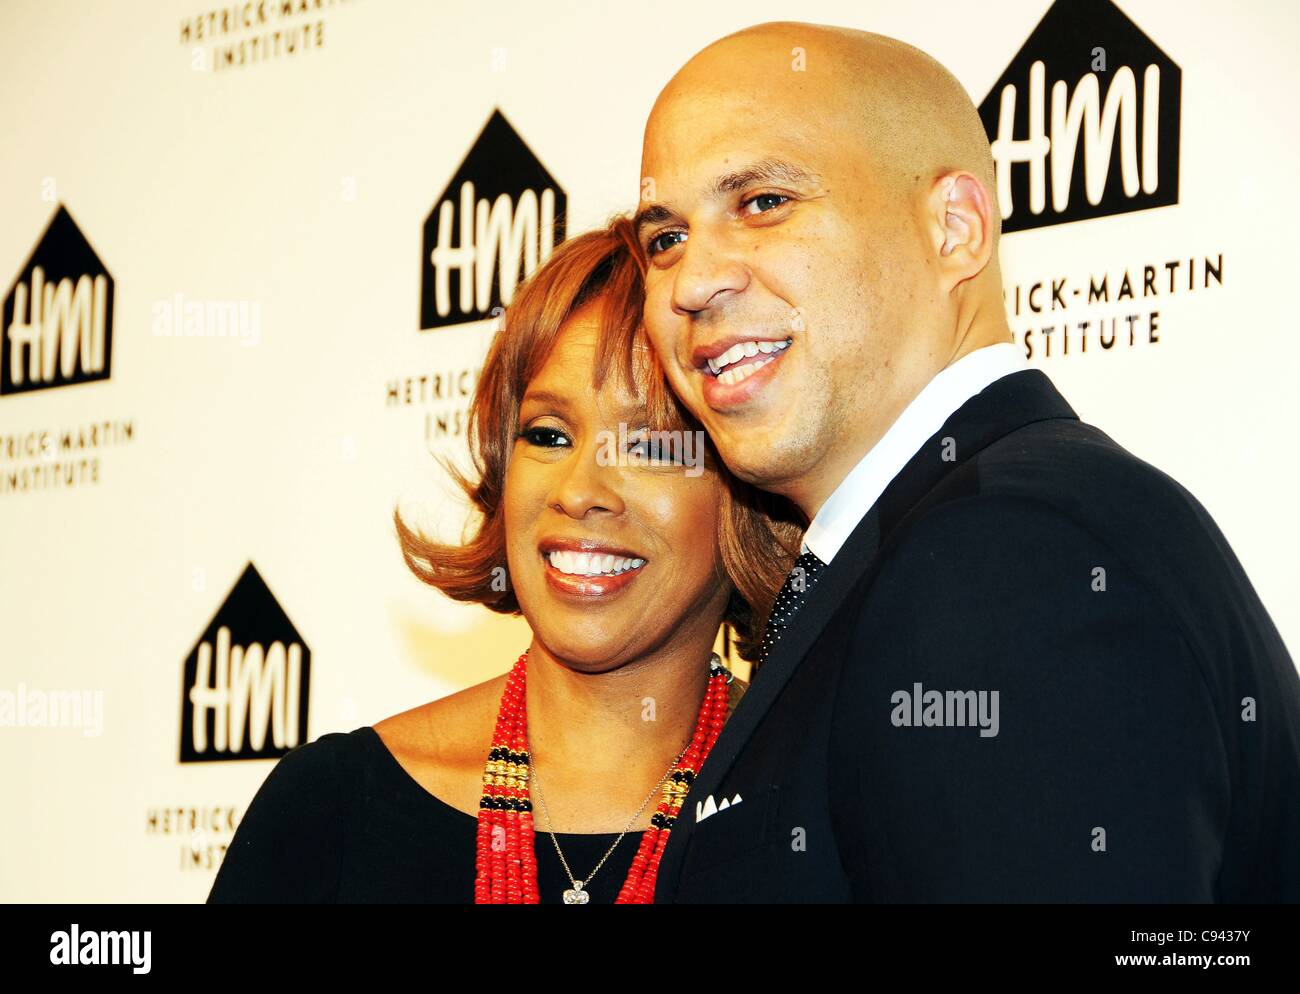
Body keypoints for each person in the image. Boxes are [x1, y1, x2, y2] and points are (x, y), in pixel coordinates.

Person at [634, 21, 1300, 902]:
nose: (689, 282)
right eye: (664, 238)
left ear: (955, 227)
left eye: (763, 203)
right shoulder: (972, 532)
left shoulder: (1001, 557)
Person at [206, 214, 799, 904]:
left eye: (652, 446)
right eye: (547, 434)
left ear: (746, 481)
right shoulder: (331, 812)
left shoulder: (817, 816)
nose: (580, 491)